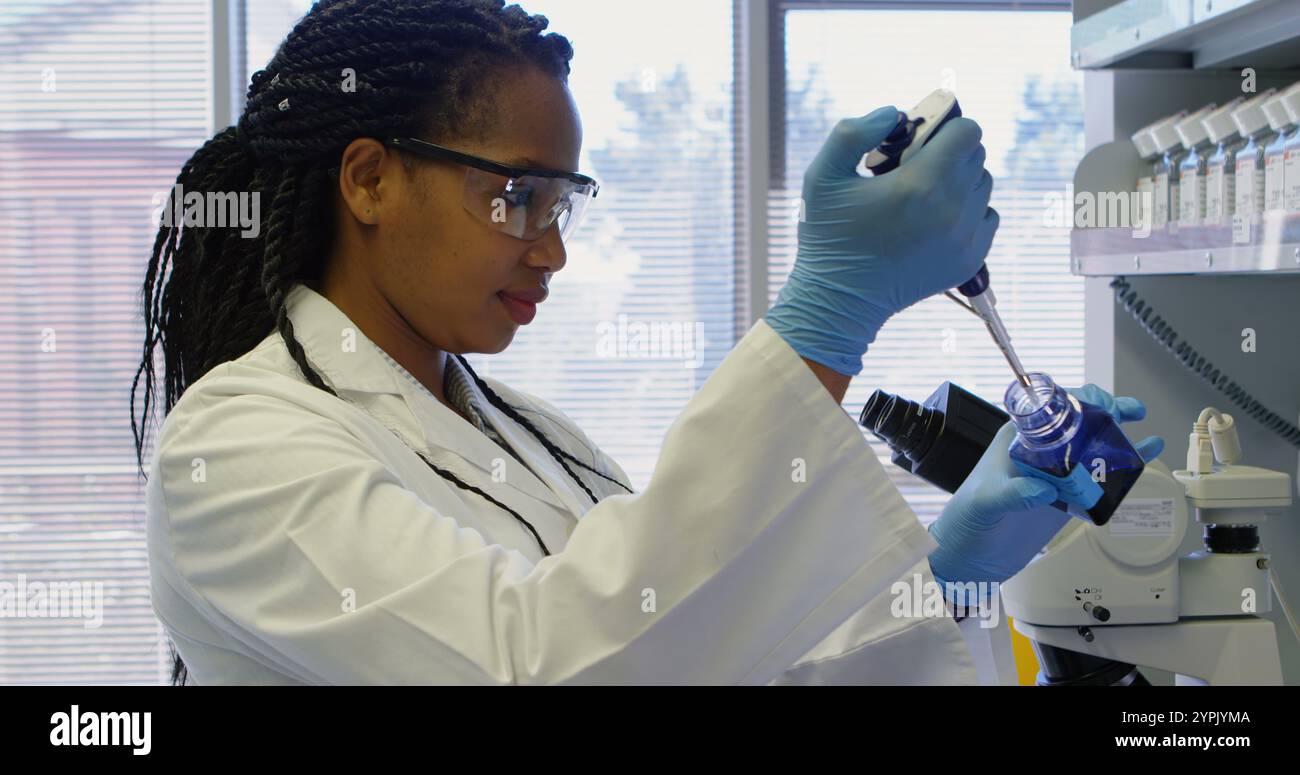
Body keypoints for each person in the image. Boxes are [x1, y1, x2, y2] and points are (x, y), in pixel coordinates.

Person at [133, 0, 1161, 685]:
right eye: (515, 196)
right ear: (367, 179)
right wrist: (827, 315)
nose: (550, 251)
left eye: (561, 204)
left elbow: (714, 653)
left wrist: (953, 566)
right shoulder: (237, 451)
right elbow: (540, 666)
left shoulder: (534, 438)